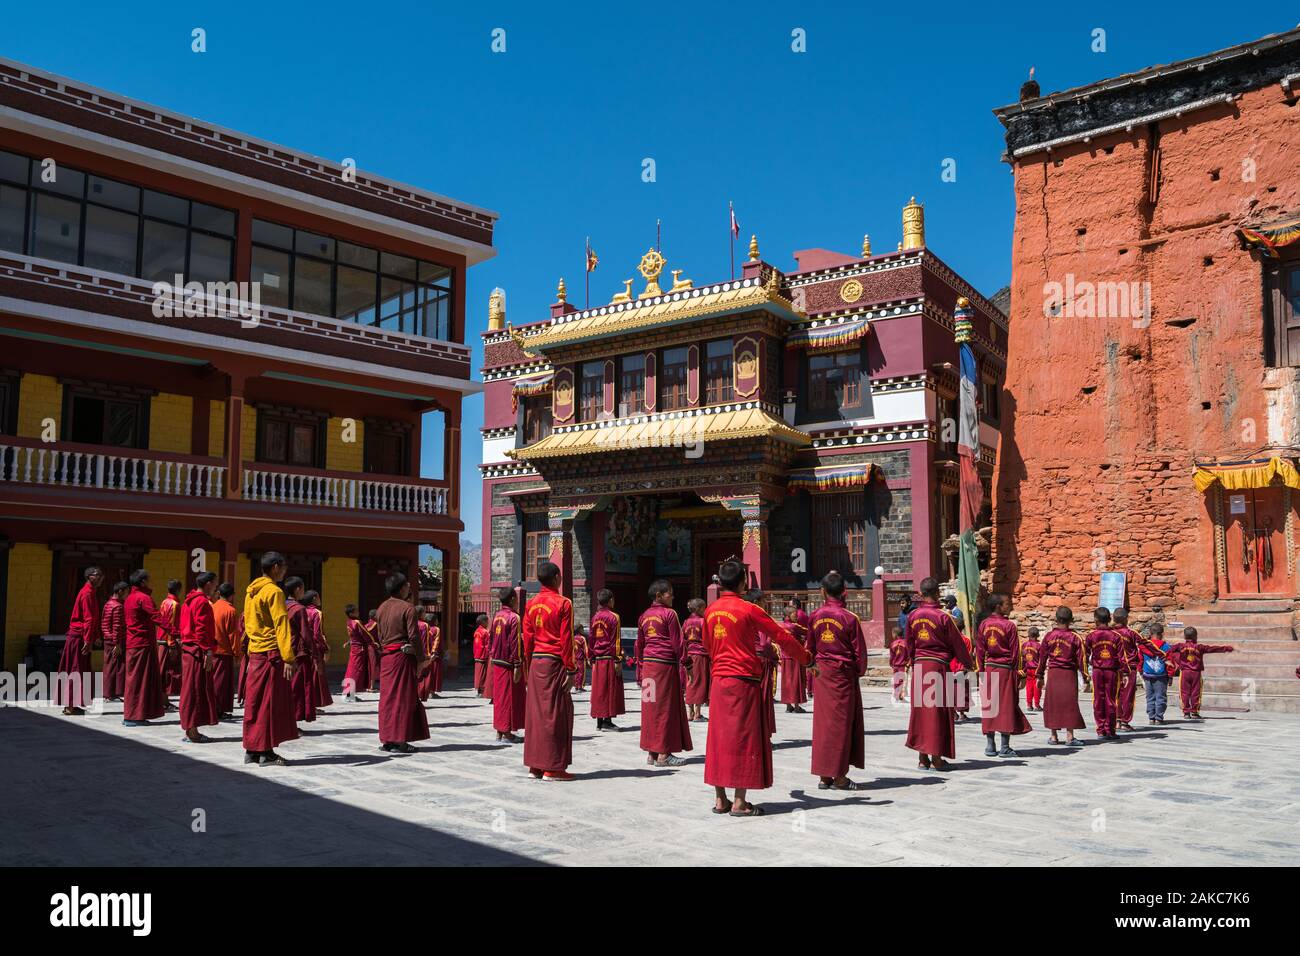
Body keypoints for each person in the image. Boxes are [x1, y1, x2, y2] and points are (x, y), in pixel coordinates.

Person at [702, 560, 811, 816]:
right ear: (743, 583)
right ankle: (739, 803)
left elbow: (708, 645)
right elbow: (781, 636)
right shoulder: (748, 609)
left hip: (719, 681)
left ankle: (720, 799)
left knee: (718, 738)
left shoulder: (711, 611)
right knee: (743, 739)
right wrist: (806, 659)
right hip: (743, 681)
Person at [903, 577, 973, 771]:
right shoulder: (944, 617)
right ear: (937, 594)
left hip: (919, 668)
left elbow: (909, 644)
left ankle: (922, 758)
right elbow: (957, 644)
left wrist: (910, 662)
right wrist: (968, 664)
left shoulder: (913, 616)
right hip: (938, 668)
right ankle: (936, 759)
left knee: (921, 712)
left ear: (922, 593)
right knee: (938, 714)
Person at [808, 570, 869, 790]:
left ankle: (824, 775)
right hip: (842, 676)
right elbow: (859, 653)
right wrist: (859, 672)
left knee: (824, 724)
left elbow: (810, 649)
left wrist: (813, 672)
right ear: (844, 591)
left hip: (822, 675)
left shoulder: (814, 616)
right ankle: (840, 777)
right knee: (841, 724)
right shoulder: (850, 618)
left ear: (822, 591)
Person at [242, 553, 299, 765]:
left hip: (256, 652)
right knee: (268, 704)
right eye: (283, 567)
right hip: (271, 654)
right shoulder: (274, 592)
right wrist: (288, 658)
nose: (285, 571)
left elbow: (248, 623)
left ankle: (252, 749)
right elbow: (281, 624)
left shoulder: (251, 591)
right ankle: (266, 752)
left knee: (255, 703)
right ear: (275, 567)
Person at [522, 562, 577, 780]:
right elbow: (566, 640)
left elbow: (527, 640)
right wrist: (571, 670)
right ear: (556, 578)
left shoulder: (531, 604)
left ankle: (535, 766)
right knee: (556, 714)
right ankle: (553, 768)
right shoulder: (563, 603)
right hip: (555, 663)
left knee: (536, 714)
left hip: (536, 663)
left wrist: (528, 666)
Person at [635, 579, 692, 768]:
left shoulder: (643, 616)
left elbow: (639, 645)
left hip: (648, 668)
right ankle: (663, 754)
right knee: (665, 708)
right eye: (670, 593)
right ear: (659, 596)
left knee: (650, 707)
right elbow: (678, 643)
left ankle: (651, 752)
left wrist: (639, 669)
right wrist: (687, 663)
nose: (673, 596)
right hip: (664, 668)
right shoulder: (669, 614)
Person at [375, 572, 429, 753]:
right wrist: (421, 659)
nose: (409, 589)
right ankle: (399, 741)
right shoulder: (408, 608)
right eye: (407, 586)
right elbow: (414, 636)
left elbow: (380, 635)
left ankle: (387, 739)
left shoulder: (381, 608)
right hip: (402, 657)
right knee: (402, 698)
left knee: (387, 698)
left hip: (386, 658)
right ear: (401, 588)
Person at [974, 593, 1032, 756]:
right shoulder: (1009, 626)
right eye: (1007, 602)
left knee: (990, 706)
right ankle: (1005, 747)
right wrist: (1020, 674)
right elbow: (1016, 653)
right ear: (998, 606)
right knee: (1006, 706)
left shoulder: (984, 625)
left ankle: (990, 746)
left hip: (989, 669)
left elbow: (979, 651)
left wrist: (981, 673)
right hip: (1005, 670)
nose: (1010, 604)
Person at [1036, 606, 1090, 746]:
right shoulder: (1075, 637)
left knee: (1052, 704)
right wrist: (1086, 677)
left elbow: (1041, 657)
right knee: (1069, 704)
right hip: (1068, 674)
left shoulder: (1049, 636)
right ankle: (1070, 736)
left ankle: (1053, 736)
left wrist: (1039, 675)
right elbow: (1082, 660)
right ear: (1071, 620)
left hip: (1053, 674)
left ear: (1056, 619)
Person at [178, 572, 220, 743]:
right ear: (209, 584)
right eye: (215, 583)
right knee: (194, 690)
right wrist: (208, 651)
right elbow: (202, 630)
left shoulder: (188, 601)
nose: (216, 587)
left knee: (189, 689)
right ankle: (192, 730)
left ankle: (190, 727)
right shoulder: (202, 602)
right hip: (197, 651)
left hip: (189, 650)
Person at [122, 570, 167, 727]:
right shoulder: (143, 598)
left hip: (132, 643)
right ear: (142, 582)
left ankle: (133, 714)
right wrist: (175, 631)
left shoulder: (129, 598)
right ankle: (134, 716)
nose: (150, 583)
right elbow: (156, 617)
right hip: (142, 644)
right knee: (139, 682)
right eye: (148, 580)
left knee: (133, 680)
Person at [56, 566, 102, 715]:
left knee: (78, 670)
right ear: (89, 577)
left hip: (81, 636)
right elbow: (88, 619)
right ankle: (70, 706)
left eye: (102, 575)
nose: (101, 577)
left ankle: (72, 704)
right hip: (79, 638)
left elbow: (92, 619)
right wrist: (88, 640)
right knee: (75, 671)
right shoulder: (87, 593)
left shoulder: (91, 593)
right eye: (98, 575)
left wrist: (94, 637)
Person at [1168, 626, 1234, 719]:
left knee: (1184, 692)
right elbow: (1213, 649)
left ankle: (1186, 712)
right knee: (1196, 692)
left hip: (1184, 673)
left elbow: (1168, 649)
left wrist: (1177, 660)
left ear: (1184, 637)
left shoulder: (1180, 646)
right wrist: (1226, 648)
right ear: (1196, 636)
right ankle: (1194, 712)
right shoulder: (1200, 647)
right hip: (1196, 673)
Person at [489, 587, 526, 743]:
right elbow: (515, 642)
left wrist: (491, 656)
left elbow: (491, 639)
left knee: (499, 698)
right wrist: (518, 664)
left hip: (497, 661)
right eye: (516, 599)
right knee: (508, 698)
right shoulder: (514, 618)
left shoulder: (496, 616)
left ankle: (499, 730)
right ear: (512, 599)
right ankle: (507, 732)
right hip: (509, 663)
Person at [589, 588, 625, 730]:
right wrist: (618, 659)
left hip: (598, 658)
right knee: (610, 690)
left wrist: (591, 657)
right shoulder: (613, 617)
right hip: (609, 657)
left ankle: (599, 722)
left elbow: (591, 639)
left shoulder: (595, 617)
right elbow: (615, 640)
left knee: (599, 690)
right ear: (610, 600)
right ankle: (607, 721)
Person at [1084, 607, 1122, 740]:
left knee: (1098, 700)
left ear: (1095, 619)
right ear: (1110, 619)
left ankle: (1100, 729)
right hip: (1112, 671)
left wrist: (1085, 669)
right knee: (1111, 700)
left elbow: (1085, 654)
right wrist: (1126, 673)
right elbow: (1122, 657)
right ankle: (1110, 730)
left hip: (1097, 671)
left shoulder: (1091, 635)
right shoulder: (1116, 636)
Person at [283, 578, 316, 725]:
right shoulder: (299, 609)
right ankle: (291, 723)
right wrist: (316, 656)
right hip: (297, 653)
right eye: (302, 588)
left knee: (284, 688)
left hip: (282, 651)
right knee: (296, 689)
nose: (303, 592)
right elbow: (306, 634)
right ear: (297, 589)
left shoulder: (281, 606)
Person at [210, 582, 242, 719]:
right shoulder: (230, 610)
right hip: (224, 651)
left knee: (213, 680)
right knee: (221, 684)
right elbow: (233, 634)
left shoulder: (212, 606)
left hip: (212, 650)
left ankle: (214, 708)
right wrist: (237, 653)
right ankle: (218, 710)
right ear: (232, 595)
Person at [1111, 608, 1142, 732]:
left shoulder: (1111, 633)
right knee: (1128, 696)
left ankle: (1117, 721)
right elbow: (1144, 644)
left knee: (1116, 695)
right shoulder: (1131, 633)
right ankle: (1124, 721)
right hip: (1129, 668)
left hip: (1114, 668)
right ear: (1126, 619)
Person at [100, 580, 129, 703]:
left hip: (108, 638)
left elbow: (104, 623)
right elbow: (117, 626)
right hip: (115, 640)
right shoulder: (118, 606)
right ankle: (110, 694)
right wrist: (117, 643)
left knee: (109, 666)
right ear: (120, 591)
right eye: (127, 592)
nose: (128, 594)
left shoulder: (108, 604)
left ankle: (109, 693)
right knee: (114, 667)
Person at [1139, 623, 1173, 724]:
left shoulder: (1144, 646)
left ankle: (1151, 717)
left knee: (1150, 696)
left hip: (1148, 675)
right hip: (1161, 676)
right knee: (1160, 696)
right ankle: (1159, 717)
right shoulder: (1166, 647)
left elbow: (1140, 660)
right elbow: (1170, 662)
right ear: (1162, 634)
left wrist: (1141, 671)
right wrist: (1170, 676)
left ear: (1150, 633)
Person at [304, 591, 332, 709]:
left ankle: (307, 704)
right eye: (319, 597)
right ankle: (313, 704)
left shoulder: (303, 611)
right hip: (315, 648)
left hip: (304, 647)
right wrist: (326, 648)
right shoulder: (317, 613)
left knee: (307, 676)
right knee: (316, 676)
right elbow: (317, 634)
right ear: (314, 598)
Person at [683, 597, 709, 722]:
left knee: (690, 681)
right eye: (704, 608)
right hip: (700, 655)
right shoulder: (703, 622)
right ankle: (697, 714)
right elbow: (708, 639)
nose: (705, 610)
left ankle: (690, 712)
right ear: (698, 609)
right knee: (699, 682)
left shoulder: (686, 622)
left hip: (688, 655)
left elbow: (682, 639)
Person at [777, 608, 808, 714]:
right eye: (795, 614)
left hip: (785, 657)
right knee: (796, 681)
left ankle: (788, 706)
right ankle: (797, 706)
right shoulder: (794, 626)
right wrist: (801, 640)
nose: (797, 616)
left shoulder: (779, 626)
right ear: (788, 615)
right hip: (795, 657)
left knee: (786, 681)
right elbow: (807, 632)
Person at [157, 579, 183, 699]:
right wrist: (172, 644)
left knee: (163, 670)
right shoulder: (174, 604)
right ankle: (163, 699)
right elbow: (171, 625)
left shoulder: (164, 601)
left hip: (161, 639)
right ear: (178, 590)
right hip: (168, 641)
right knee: (168, 670)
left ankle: (164, 699)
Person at [342, 604, 371, 702]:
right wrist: (375, 644)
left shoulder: (349, 622)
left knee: (351, 670)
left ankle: (348, 693)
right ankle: (349, 694)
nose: (358, 612)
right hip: (359, 649)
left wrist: (349, 642)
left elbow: (354, 636)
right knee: (356, 671)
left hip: (354, 649)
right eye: (356, 611)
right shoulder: (357, 622)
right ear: (351, 613)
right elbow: (366, 635)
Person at [787, 597, 813, 699]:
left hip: (801, 645)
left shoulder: (799, 615)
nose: (789, 607)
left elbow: (802, 630)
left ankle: (806, 689)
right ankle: (808, 689)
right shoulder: (802, 614)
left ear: (795, 606)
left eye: (790, 605)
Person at [1021, 626, 1043, 712]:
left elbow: (1022, 658)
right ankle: (1037, 705)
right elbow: (1041, 659)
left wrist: (1023, 669)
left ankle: (1029, 705)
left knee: (1029, 687)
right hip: (1036, 669)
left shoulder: (1024, 645)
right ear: (1037, 635)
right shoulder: (1039, 646)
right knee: (1037, 687)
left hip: (1027, 668)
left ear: (1028, 635)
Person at [887, 625, 908, 702]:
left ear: (895, 634)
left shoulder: (892, 644)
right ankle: (901, 696)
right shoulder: (906, 643)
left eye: (892, 633)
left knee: (896, 680)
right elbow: (908, 655)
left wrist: (891, 664)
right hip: (904, 665)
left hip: (896, 666)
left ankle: (897, 695)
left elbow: (892, 656)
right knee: (902, 681)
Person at [471, 613, 490, 697]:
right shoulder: (485, 632)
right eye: (487, 621)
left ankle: (479, 691)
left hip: (477, 656)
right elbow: (487, 645)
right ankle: (482, 691)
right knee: (483, 674)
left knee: (478, 674)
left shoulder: (476, 631)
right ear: (483, 622)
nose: (488, 623)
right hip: (483, 656)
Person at [364, 609, 380, 693]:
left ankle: (369, 685)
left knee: (369, 666)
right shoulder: (376, 624)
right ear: (374, 616)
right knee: (373, 666)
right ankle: (372, 686)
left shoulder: (366, 625)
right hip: (373, 647)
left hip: (366, 647)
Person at [572, 626, 589, 693]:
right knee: (581, 673)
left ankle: (576, 686)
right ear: (580, 630)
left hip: (574, 658)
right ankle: (580, 687)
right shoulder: (582, 638)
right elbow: (586, 649)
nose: (583, 630)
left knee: (576, 673)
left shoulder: (573, 638)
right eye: (582, 629)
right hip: (581, 658)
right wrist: (587, 658)